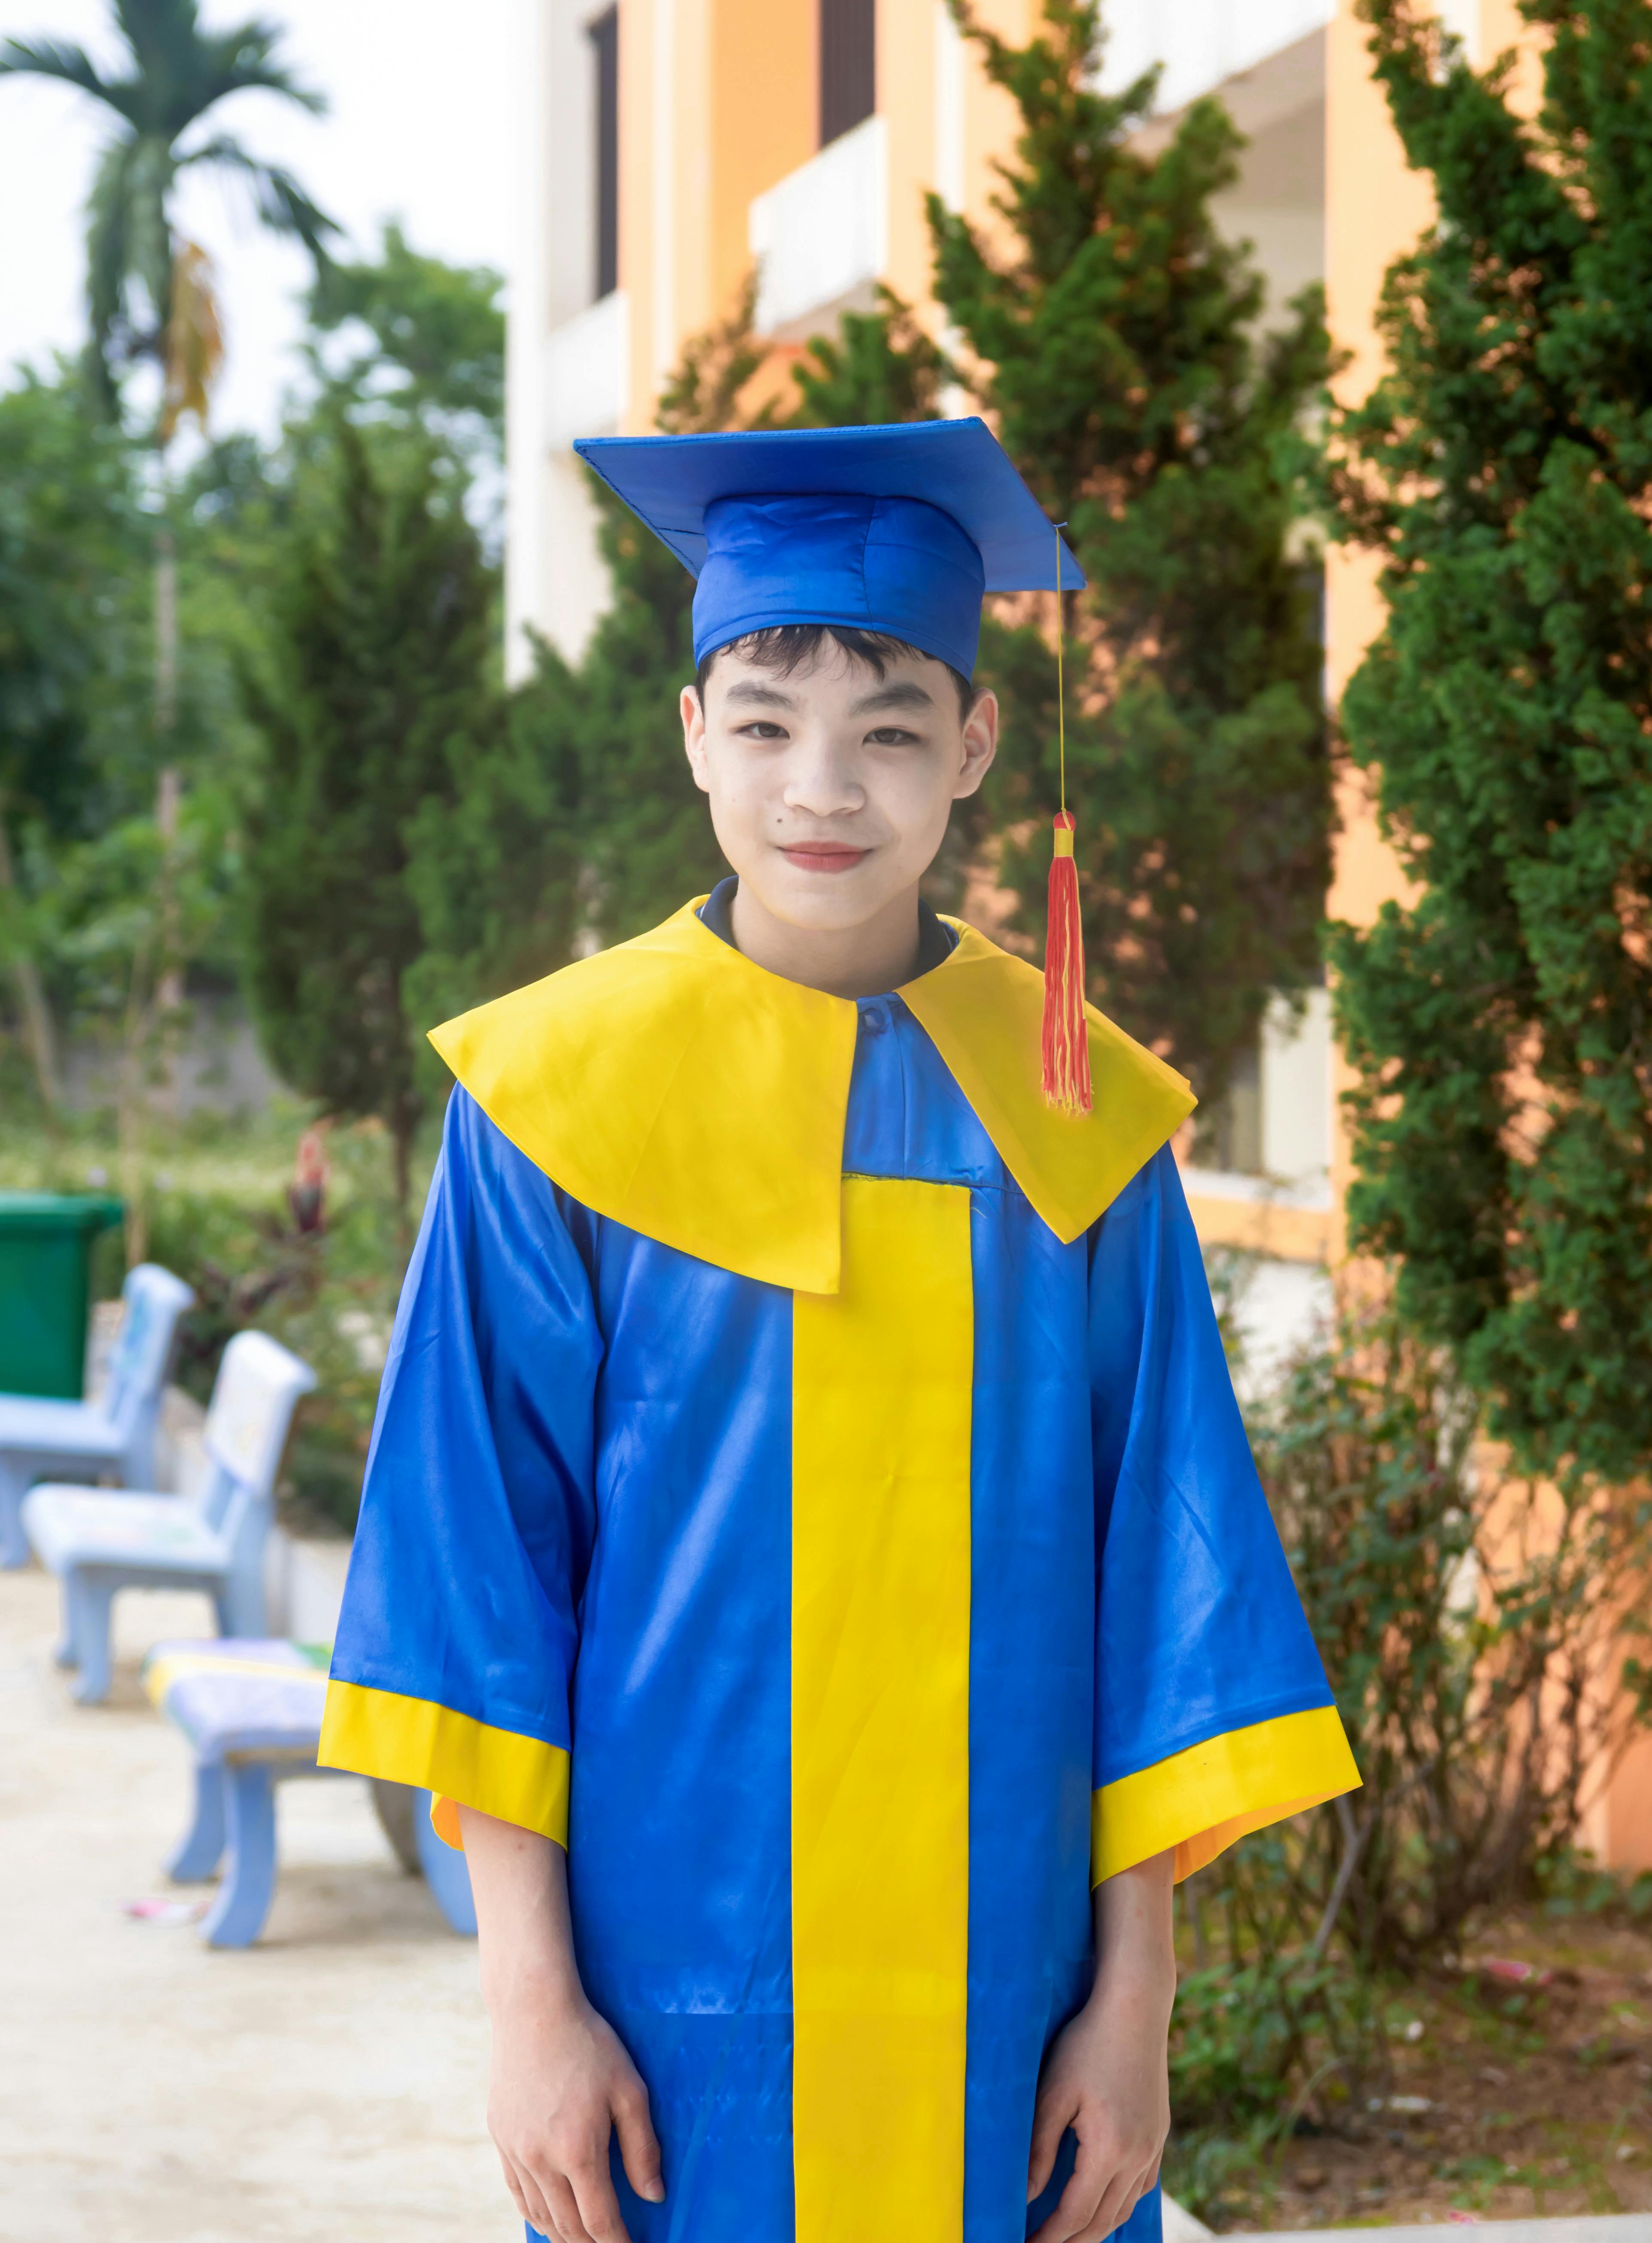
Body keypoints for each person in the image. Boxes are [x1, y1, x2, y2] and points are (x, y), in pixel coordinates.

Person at [319, 418, 1358, 2243]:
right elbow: (479, 1574)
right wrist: (526, 2005)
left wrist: (1136, 2010)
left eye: (888, 729)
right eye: (766, 720)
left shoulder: (1076, 1126)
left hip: (1007, 1994)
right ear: (690, 732)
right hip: (670, 1997)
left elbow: (1158, 1595)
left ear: (969, 749)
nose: (823, 786)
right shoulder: (554, 1102)